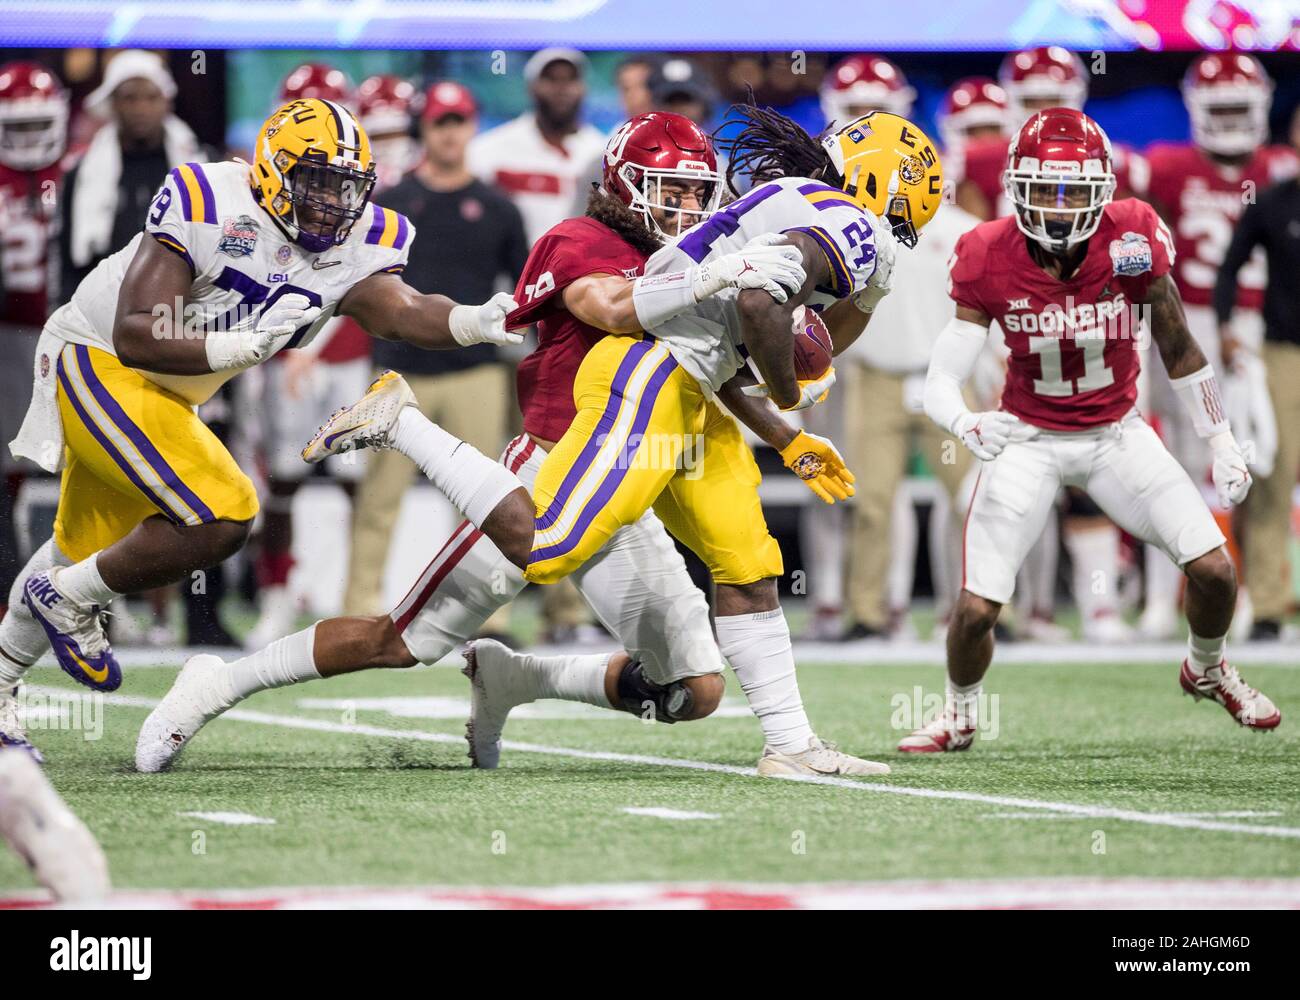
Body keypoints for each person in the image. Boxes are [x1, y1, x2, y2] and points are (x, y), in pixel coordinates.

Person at [136, 106, 935, 779]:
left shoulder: (702, 249)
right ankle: (219, 680)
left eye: (698, 191)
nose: (688, 206)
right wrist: (721, 289)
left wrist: (783, 434)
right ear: (622, 186)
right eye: (671, 190)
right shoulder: (579, 237)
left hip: (646, 465)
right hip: (551, 460)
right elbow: (618, 308)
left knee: (694, 687)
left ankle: (518, 677)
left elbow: (715, 368)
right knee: (404, 640)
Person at [0, 96, 519, 757]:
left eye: (346, 187)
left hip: (164, 395)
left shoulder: (354, 241)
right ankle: (69, 597)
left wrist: (474, 321)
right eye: (316, 183)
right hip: (97, 359)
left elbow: (398, 308)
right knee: (226, 510)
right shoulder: (211, 199)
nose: (333, 203)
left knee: (77, 551)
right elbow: (136, 334)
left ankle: (12, 673)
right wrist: (231, 350)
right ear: (272, 171)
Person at [899, 109, 1279, 754]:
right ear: (1017, 188)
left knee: (1214, 572)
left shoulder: (1132, 236)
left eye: (1072, 188)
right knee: (975, 610)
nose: (1057, 204)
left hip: (1116, 435)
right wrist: (964, 421)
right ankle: (959, 713)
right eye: (1043, 188)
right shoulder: (988, 251)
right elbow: (942, 372)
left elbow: (1179, 347)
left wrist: (1219, 441)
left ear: (1102, 188)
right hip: (1026, 437)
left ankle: (1207, 668)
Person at [343, 81, 528, 617]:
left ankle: (488, 615)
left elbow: (523, 292)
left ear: (472, 126)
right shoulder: (392, 204)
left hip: (477, 374)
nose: (450, 132)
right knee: (378, 499)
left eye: (459, 121)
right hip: (400, 373)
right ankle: (359, 609)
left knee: (485, 502)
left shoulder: (499, 208)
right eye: (440, 122)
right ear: (424, 128)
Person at [1139, 52, 1299, 638]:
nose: (1230, 121)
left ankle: (1258, 594)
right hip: (1185, 321)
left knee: (1256, 461)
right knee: (1172, 465)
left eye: (1240, 108)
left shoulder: (1283, 167)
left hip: (1263, 329)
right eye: (1221, 108)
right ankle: (1164, 598)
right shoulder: (1165, 166)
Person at [243, 61, 367, 649]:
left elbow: (367, 288)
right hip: (275, 347)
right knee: (283, 482)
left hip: (343, 351)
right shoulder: (258, 184)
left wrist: (315, 344)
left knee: (352, 480)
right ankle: (276, 599)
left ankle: (351, 597)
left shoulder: (361, 185)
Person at [1213, 105, 1300, 642]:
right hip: (1283, 354)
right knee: (1272, 477)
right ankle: (1267, 603)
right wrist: (1224, 325)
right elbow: (1229, 267)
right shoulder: (1272, 203)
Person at [0, 62, 68, 617]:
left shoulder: (79, 171)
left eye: (34, 126)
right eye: (14, 128)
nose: (26, 141)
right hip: (10, 337)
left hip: (74, 334)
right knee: (9, 465)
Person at [468, 48, 607, 244]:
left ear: (583, 88)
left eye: (570, 79)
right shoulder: (491, 148)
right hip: (515, 269)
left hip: (581, 270)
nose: (562, 88)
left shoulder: (602, 153)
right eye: (551, 79)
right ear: (531, 87)